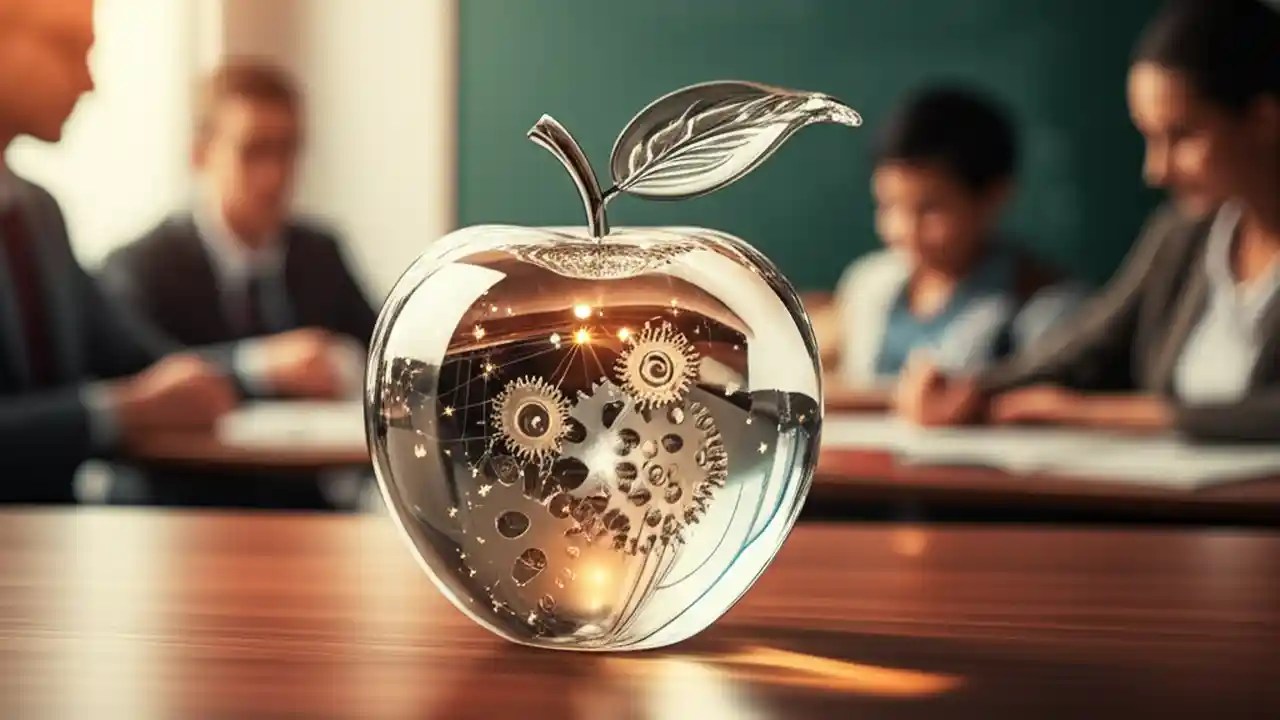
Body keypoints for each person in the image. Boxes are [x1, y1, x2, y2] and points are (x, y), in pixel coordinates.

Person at [898, 0, 1280, 443]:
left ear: (1264, 120)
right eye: (1149, 137)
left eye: (1182, 136)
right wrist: (973, 390)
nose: (1155, 170)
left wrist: (1097, 414)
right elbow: (1089, 347)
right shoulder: (1184, 235)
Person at [97, 61, 376, 509]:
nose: (275, 174)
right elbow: (142, 378)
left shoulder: (319, 252)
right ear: (200, 154)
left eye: (288, 150)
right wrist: (262, 366)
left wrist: (343, 365)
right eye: (253, 151)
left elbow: (383, 354)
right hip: (181, 507)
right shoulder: (140, 266)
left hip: (303, 506)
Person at [0, 0, 236, 502]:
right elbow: (135, 396)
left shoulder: (38, 214)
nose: (89, 83)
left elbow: (138, 358)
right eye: (70, 49)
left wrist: (259, 369)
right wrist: (119, 411)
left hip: (50, 551)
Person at [831, 86, 1083, 398]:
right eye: (888, 205)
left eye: (930, 209)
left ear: (993, 198)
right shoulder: (870, 284)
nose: (905, 229)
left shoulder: (1042, 307)